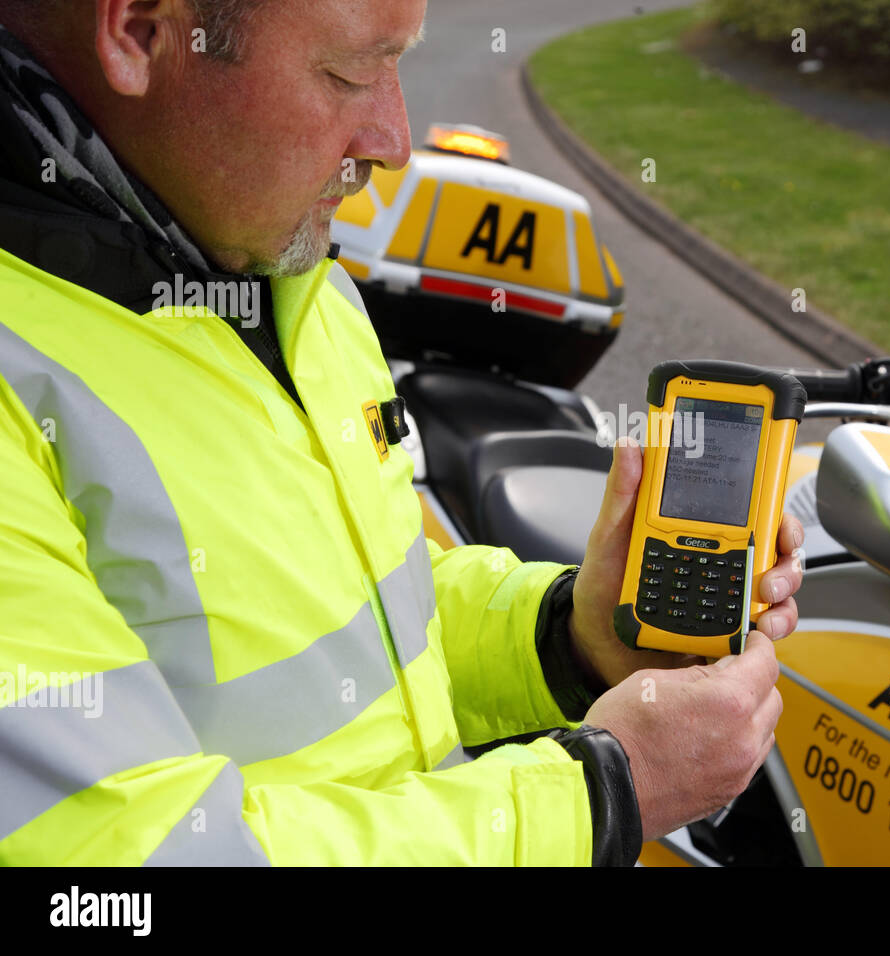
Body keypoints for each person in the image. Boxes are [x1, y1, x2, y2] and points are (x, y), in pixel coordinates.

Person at [0, 0, 804, 865]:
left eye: (401, 65)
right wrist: (606, 793)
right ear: (139, 32)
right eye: (350, 72)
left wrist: (567, 637)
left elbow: (364, 614)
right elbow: (128, 867)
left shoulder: (283, 271)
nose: (393, 141)